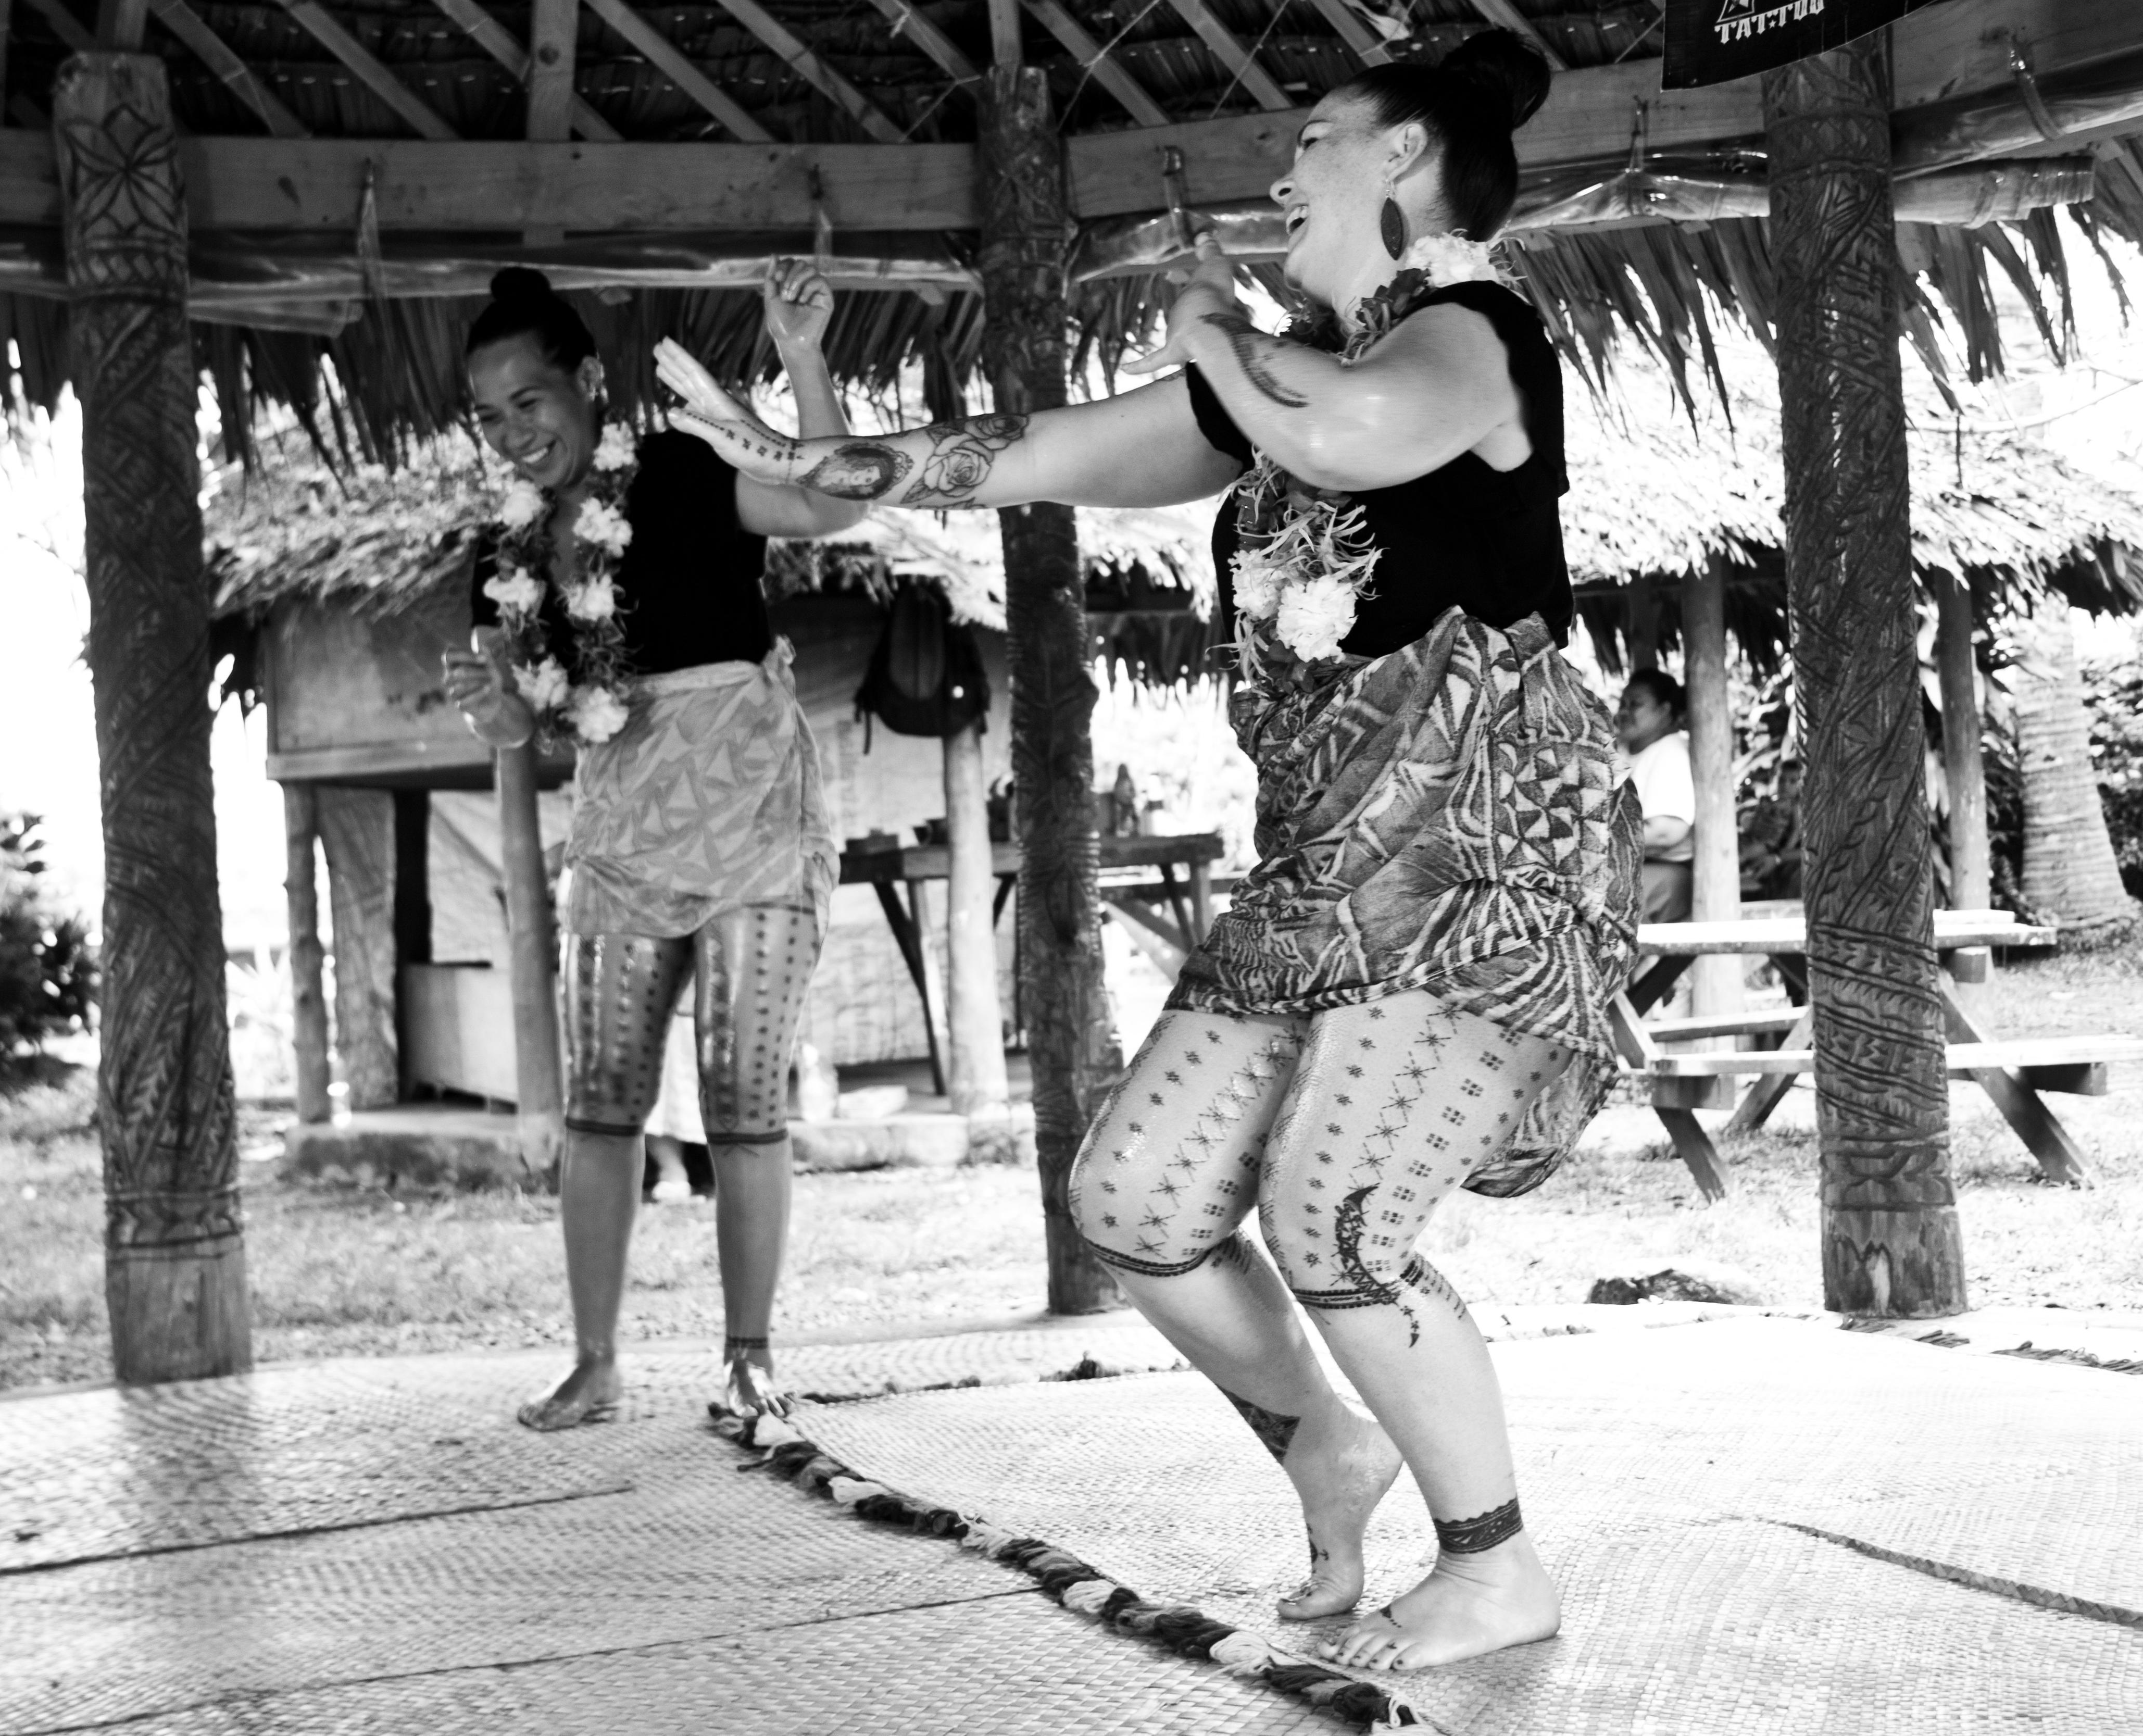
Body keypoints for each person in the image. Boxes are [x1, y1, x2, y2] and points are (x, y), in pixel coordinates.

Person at [660, 31, 1637, 1671]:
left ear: (1405, 157)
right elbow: (1020, 455)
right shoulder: (1265, 383)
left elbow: (1347, 433)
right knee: (1132, 1196)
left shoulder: (1477, 337)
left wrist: (1204, 319)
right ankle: (1327, 1447)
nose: (1283, 170)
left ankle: (1495, 1562)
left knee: (1334, 1212)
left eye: (1315, 138)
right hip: (1322, 869)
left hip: (1478, 857)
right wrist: (791, 457)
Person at [441, 263, 866, 1429]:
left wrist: (804, 357)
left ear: (587, 380)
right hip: (623, 826)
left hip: (747, 815)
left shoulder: (680, 468)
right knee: (603, 1102)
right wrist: (495, 711)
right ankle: (594, 1361)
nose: (512, 432)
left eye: (529, 401)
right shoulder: (502, 549)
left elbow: (833, 505)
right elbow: (519, 716)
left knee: (743, 1096)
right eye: (490, 415)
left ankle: (750, 1360)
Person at [1614, 668, 1695, 923]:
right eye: (1623, 703)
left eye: (1635, 705)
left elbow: (1665, 833)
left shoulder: (1672, 752)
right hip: (1626, 864)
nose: (1624, 712)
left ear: (1664, 710)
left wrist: (1595, 840)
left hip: (1665, 871)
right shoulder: (1621, 749)